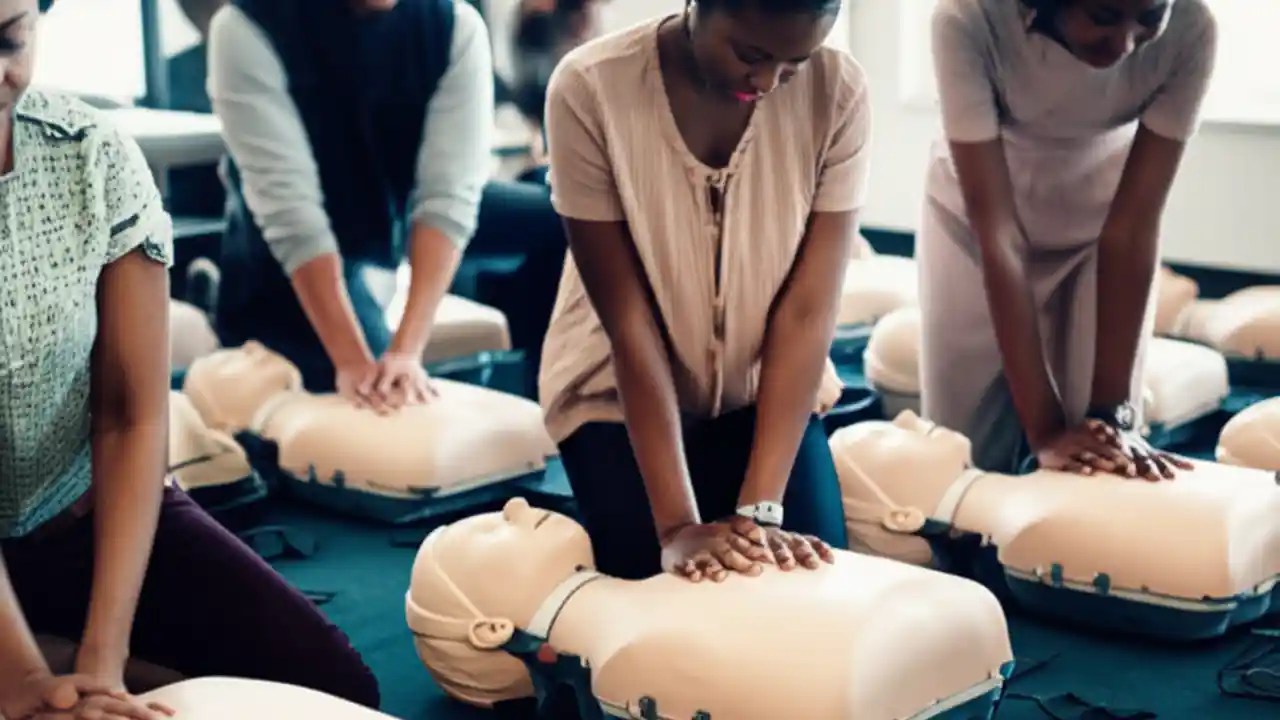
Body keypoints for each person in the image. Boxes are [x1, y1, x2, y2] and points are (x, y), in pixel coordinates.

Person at [0, 2, 380, 718]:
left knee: (335, 688)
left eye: (7, 39)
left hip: (79, 509)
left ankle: (78, 652)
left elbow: (129, 417)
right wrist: (22, 682)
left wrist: (103, 664)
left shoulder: (92, 153)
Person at [540, 0, 867, 582]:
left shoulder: (838, 91)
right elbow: (627, 319)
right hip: (614, 391)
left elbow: (807, 312)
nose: (767, 82)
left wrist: (761, 510)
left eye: (794, 63)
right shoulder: (589, 87)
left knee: (808, 584)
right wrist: (675, 527)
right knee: (664, 593)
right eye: (751, 54)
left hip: (764, 390)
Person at [207, 0, 567, 409]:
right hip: (290, 260)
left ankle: (553, 408)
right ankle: (220, 300)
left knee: (567, 223)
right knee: (377, 391)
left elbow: (446, 200)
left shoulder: (454, 26)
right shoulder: (245, 27)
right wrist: (356, 363)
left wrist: (407, 351)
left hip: (397, 211)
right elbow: (294, 219)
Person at [918, 0, 1216, 479]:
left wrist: (1113, 415)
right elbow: (1000, 235)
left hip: (1099, 233)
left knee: (1100, 454)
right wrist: (1044, 430)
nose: (1124, 43)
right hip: (974, 233)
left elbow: (1134, 226)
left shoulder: (1193, 28)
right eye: (1103, 16)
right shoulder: (966, 18)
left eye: (1148, 18)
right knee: (963, 457)